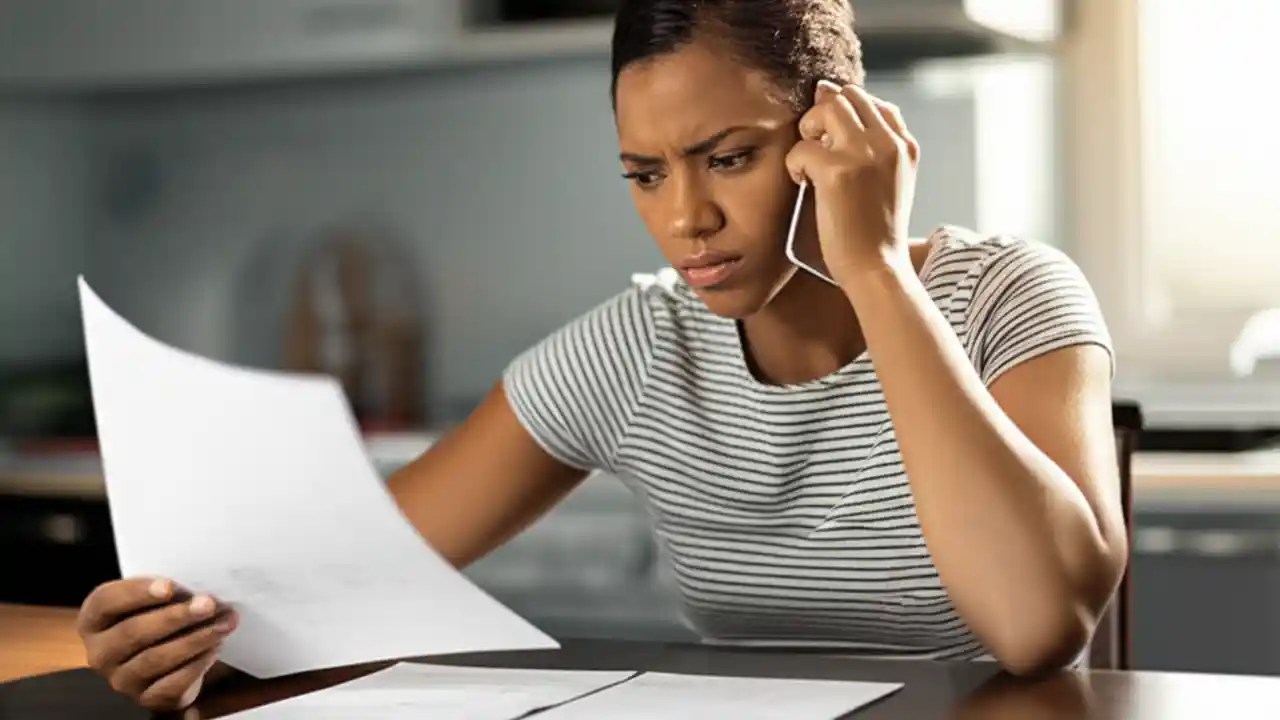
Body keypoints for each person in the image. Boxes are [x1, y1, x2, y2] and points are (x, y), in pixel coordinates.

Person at [74, 0, 1128, 711]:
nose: (686, 219)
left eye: (727, 159)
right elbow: (334, 584)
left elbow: (1036, 625)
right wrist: (179, 637)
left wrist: (875, 270)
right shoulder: (638, 347)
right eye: (644, 173)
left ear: (840, 136)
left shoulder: (1006, 294)